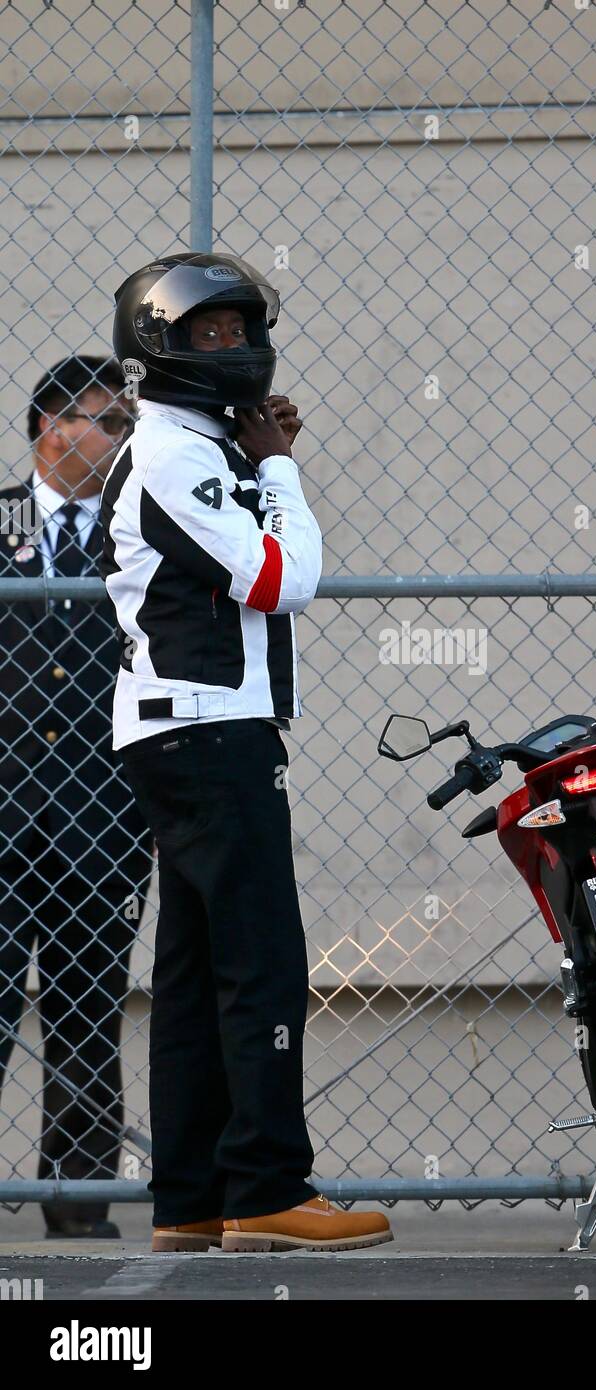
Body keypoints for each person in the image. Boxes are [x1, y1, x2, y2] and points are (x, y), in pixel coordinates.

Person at [102, 251, 392, 1252]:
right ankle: (267, 1188)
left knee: (193, 973)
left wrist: (255, 454)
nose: (233, 346)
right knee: (262, 959)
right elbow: (281, 579)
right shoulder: (175, 456)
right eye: (209, 333)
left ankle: (190, 1201)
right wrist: (277, 468)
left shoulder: (193, 444)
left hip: (189, 730)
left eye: (240, 329)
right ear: (159, 345)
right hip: (209, 732)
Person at [0, 355, 154, 1238]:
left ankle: (78, 1203)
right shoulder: (3, 520)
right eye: (110, 421)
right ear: (51, 427)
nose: (124, 438)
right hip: (5, 812)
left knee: (88, 1012)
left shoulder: (137, 531)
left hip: (102, 817)